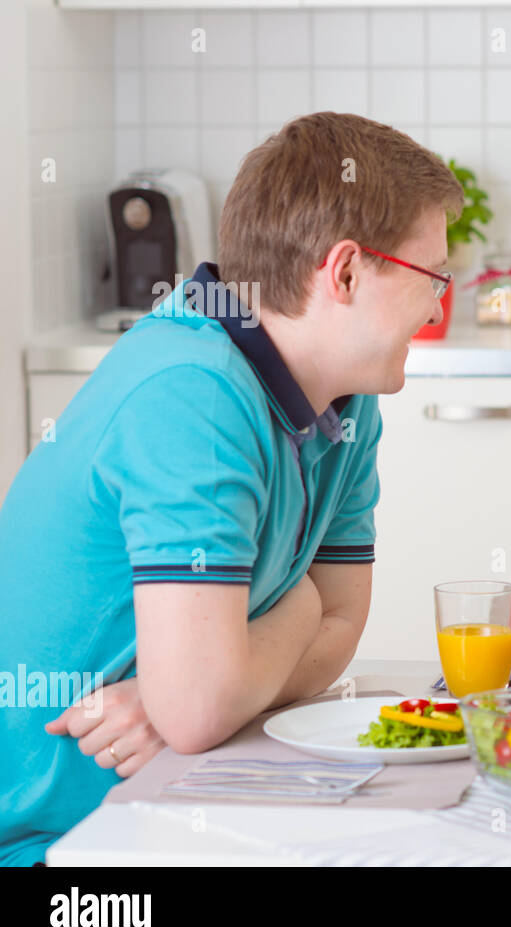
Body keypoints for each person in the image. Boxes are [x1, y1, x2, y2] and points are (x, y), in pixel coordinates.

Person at [0, 112, 463, 865]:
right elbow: (216, 694)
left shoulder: (349, 396)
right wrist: (284, 621)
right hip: (62, 845)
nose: (439, 306)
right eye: (432, 278)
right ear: (344, 272)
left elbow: (339, 629)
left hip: (184, 785)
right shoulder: (194, 393)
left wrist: (196, 691)